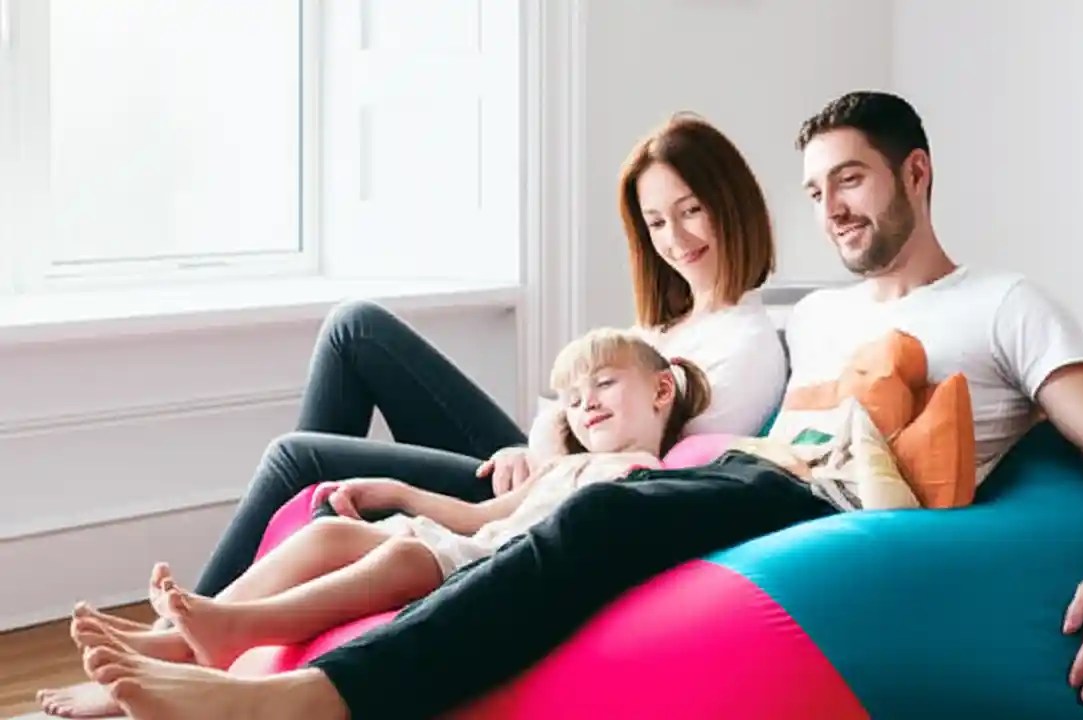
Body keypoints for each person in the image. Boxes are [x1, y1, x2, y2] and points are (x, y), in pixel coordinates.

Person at [72, 91, 1083, 719]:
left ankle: (313, 704)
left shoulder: (1002, 303)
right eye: (816, 191)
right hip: (760, 478)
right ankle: (250, 654)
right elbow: (714, 408)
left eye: (852, 179)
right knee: (557, 518)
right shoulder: (818, 314)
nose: (832, 208)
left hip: (828, 510)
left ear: (915, 174)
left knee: (594, 515)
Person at [38, 113, 788, 717]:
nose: (678, 238)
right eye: (658, 222)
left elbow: (673, 460)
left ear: (733, 205)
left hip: (568, 489)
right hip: (532, 471)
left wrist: (547, 446)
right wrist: (540, 438)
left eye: (693, 210)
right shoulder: (661, 326)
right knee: (352, 332)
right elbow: (567, 410)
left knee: (305, 458)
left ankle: (188, 638)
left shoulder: (745, 340)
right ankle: (188, 634)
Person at [81, 330, 710, 673]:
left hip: (504, 568)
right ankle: (179, 635)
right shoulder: (567, 464)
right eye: (573, 399)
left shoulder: (648, 473)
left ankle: (234, 632)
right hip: (475, 542)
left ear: (660, 391)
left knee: (402, 559)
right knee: (330, 535)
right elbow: (482, 516)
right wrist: (399, 492)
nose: (586, 403)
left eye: (603, 384)